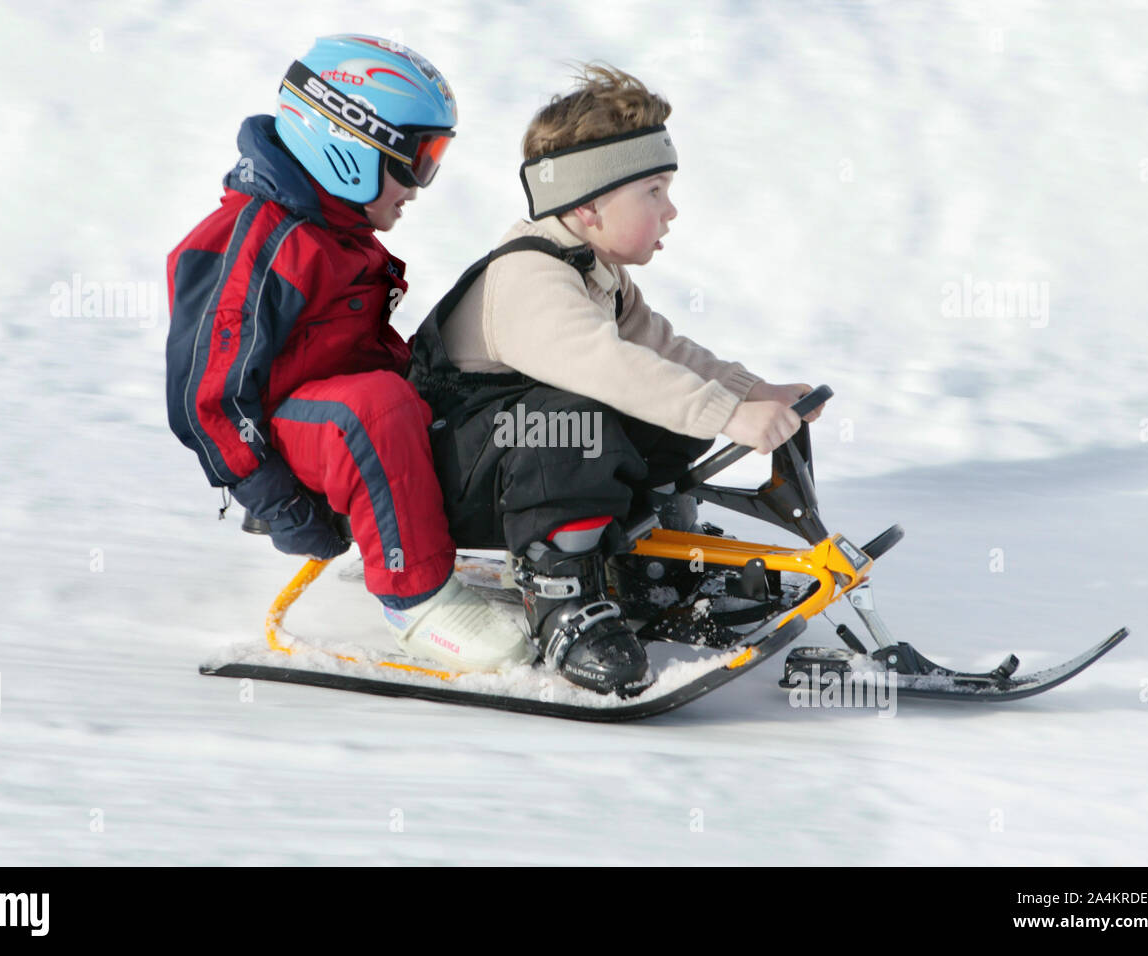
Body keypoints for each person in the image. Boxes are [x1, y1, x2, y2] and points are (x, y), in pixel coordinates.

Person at [408, 65, 823, 697]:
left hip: (506, 465)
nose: (671, 209)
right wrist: (723, 413)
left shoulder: (595, 271)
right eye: (653, 191)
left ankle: (643, 555)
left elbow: (661, 348)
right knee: (576, 418)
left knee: (652, 402)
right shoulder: (529, 276)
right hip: (454, 477)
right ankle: (563, 598)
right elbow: (608, 366)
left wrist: (750, 392)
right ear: (589, 203)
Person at [165, 34, 530, 672]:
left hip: (340, 415)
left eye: (433, 159)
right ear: (349, 145)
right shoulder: (261, 240)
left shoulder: (333, 227)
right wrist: (279, 504)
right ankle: (417, 603)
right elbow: (207, 398)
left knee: (461, 367)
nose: (419, 186)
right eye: (415, 160)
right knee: (376, 407)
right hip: (289, 438)